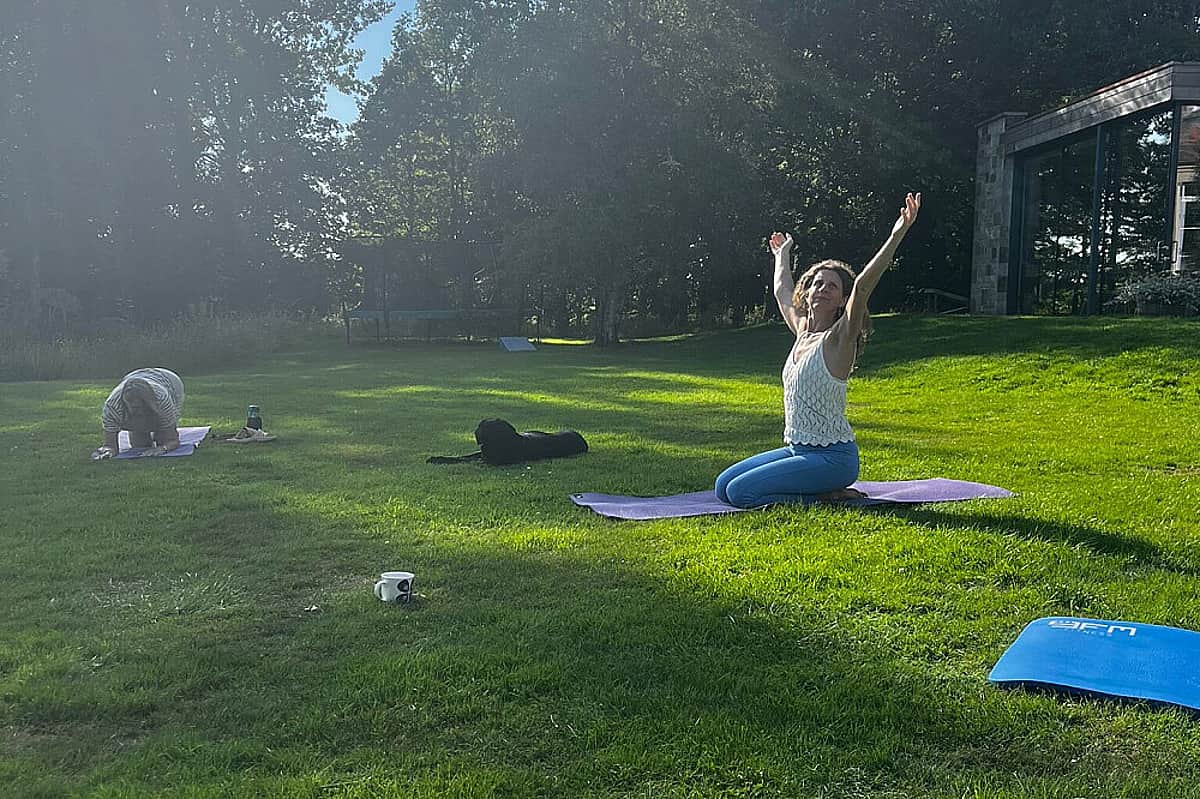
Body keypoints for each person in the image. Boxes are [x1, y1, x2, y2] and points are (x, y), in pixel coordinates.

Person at [715, 193, 921, 507]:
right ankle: (819, 490)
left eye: (832, 286)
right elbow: (782, 289)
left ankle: (827, 496)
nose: (822, 289)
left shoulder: (840, 338)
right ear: (807, 292)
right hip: (799, 449)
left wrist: (898, 233)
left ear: (842, 301)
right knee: (723, 486)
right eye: (817, 283)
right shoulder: (801, 331)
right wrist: (782, 255)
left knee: (743, 493)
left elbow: (864, 285)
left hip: (833, 458)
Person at [92, 368, 185, 459]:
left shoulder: (161, 400)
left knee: (163, 438)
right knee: (140, 446)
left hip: (169, 380)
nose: (140, 411)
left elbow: (173, 441)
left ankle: (157, 432)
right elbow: (110, 445)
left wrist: (163, 448)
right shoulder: (112, 408)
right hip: (133, 376)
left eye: (143, 407)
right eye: (135, 408)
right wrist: (109, 451)